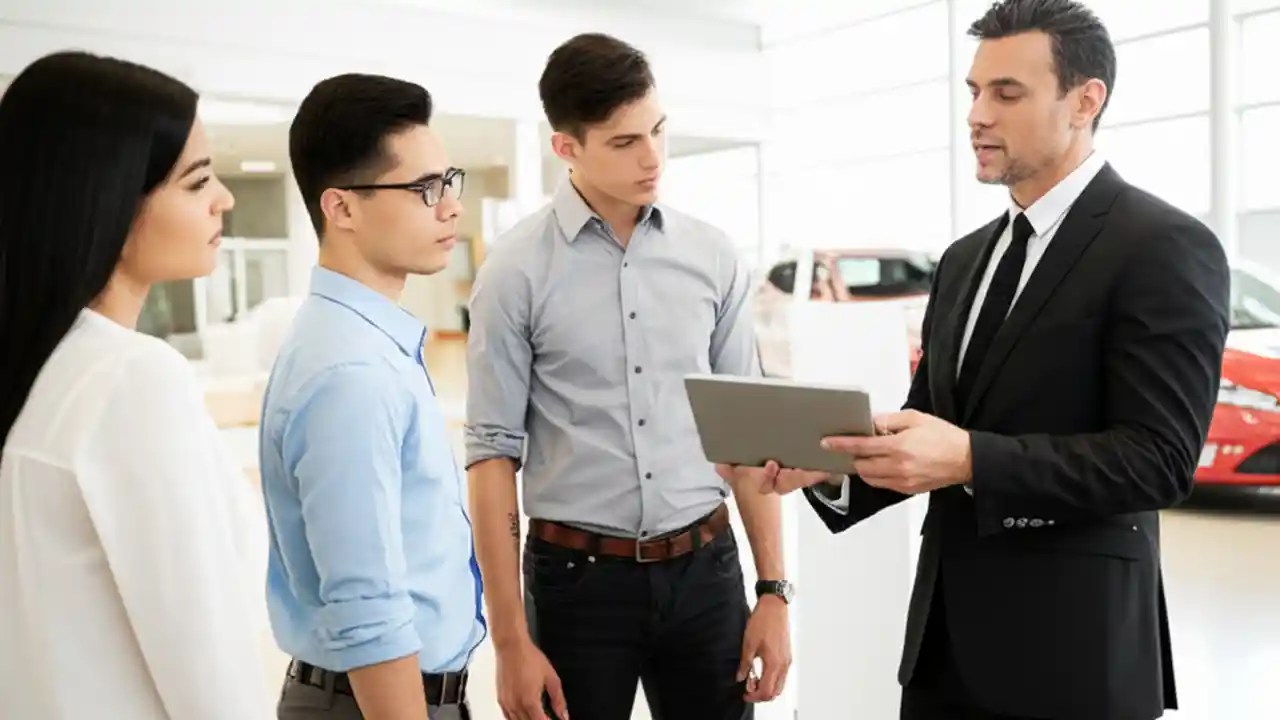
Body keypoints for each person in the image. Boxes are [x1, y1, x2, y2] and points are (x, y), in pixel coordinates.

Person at [730, 1, 1231, 719]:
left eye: (1007, 93)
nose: (977, 115)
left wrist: (972, 460)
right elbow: (933, 426)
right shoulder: (965, 260)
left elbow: (1158, 459)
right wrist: (833, 465)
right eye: (973, 92)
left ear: (1086, 101)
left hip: (1075, 660)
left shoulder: (1161, 246)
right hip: (945, 656)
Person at [466, 32, 790, 720]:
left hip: (707, 570)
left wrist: (773, 590)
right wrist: (510, 641)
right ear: (567, 147)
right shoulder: (515, 272)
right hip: (577, 586)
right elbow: (491, 455)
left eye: (659, 132)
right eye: (623, 142)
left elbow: (749, 437)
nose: (652, 158)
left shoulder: (712, 257)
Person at [0, 51, 271, 719]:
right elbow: (210, 672)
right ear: (110, 199)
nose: (224, 199)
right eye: (196, 181)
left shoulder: (42, 374)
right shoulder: (131, 380)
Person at [259, 73, 484, 720]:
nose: (450, 207)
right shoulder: (349, 370)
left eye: (448, 183)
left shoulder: (361, 339)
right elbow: (368, 609)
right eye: (423, 190)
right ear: (342, 208)